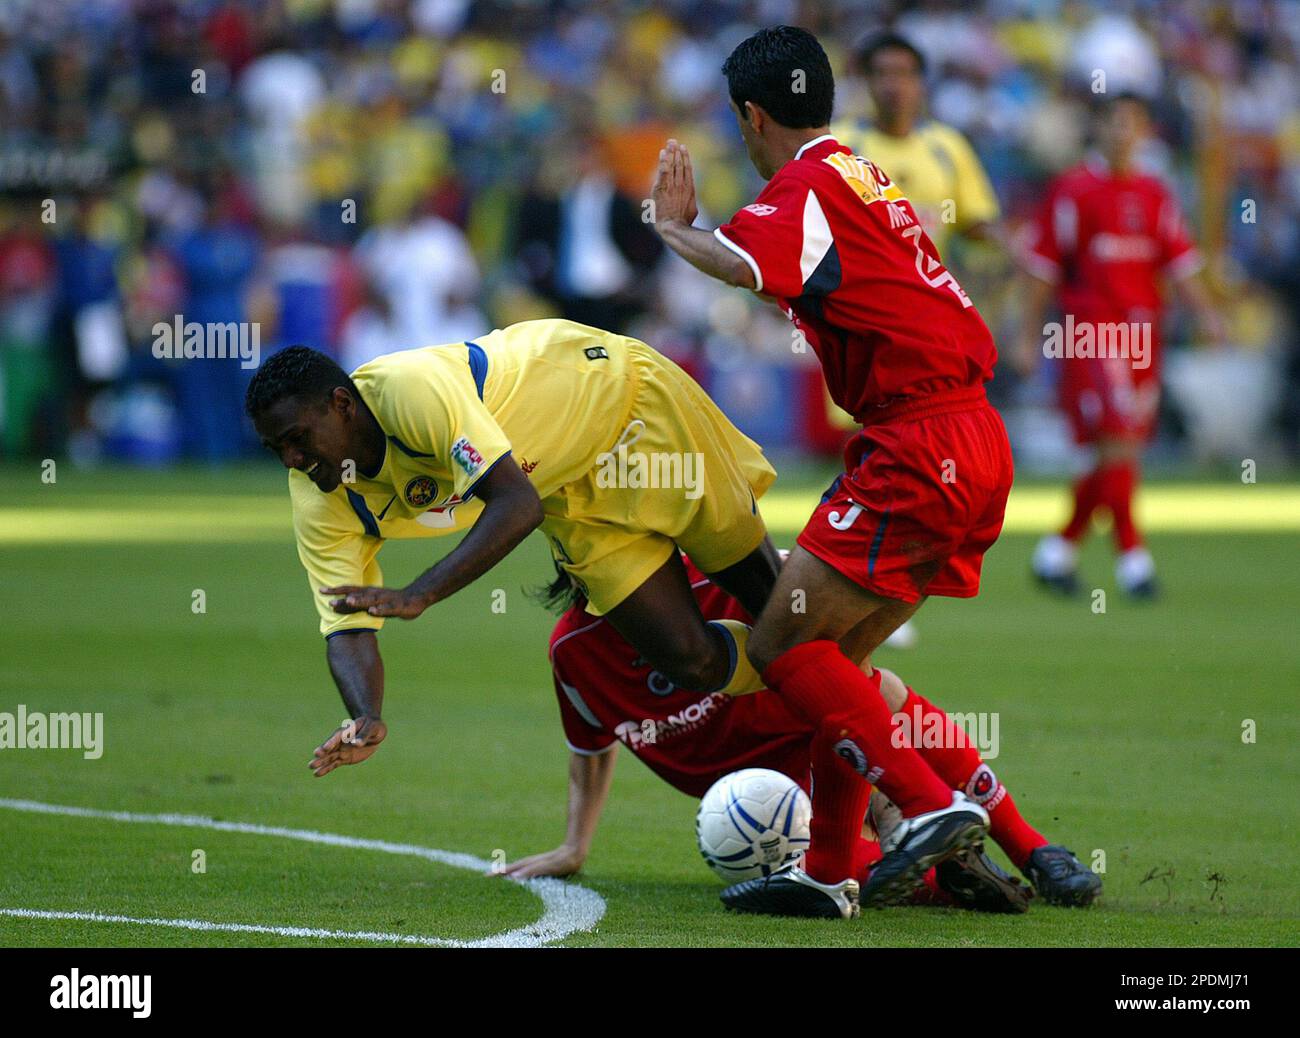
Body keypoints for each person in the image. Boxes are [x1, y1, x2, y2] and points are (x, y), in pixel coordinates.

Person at [651, 25, 1017, 915]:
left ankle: (932, 807)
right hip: (974, 439)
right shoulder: (858, 168)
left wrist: (672, 227)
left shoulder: (809, 182)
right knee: (838, 660)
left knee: (780, 645)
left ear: (751, 114)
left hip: (917, 441)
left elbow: (741, 265)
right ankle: (826, 869)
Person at [243, 319, 784, 779]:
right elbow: (347, 626)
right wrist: (366, 716)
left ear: (342, 405)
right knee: (690, 660)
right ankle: (824, 657)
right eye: (276, 449)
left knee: (775, 604)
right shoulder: (320, 497)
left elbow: (513, 504)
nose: (290, 459)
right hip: (567, 496)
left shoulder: (408, 390)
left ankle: (836, 658)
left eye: (297, 438)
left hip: (625, 407)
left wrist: (421, 593)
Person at [502, 553, 1100, 913]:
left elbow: (799, 575)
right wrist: (574, 846)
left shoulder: (705, 580)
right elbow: (590, 749)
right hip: (751, 802)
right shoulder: (572, 653)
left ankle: (1032, 848)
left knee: (875, 687)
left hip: (814, 738)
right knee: (842, 869)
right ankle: (949, 877)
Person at [1016, 93, 1225, 598]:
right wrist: (1026, 336)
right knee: (1118, 438)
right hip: (1092, 332)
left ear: (1145, 130)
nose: (1121, 132)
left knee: (1106, 454)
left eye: (1131, 123)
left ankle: (1056, 552)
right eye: (1113, 122)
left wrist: (1209, 315)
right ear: (1099, 129)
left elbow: (1181, 263)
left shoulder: (1155, 193)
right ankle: (1135, 561)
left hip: (1144, 335)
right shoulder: (1074, 190)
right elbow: (1042, 268)